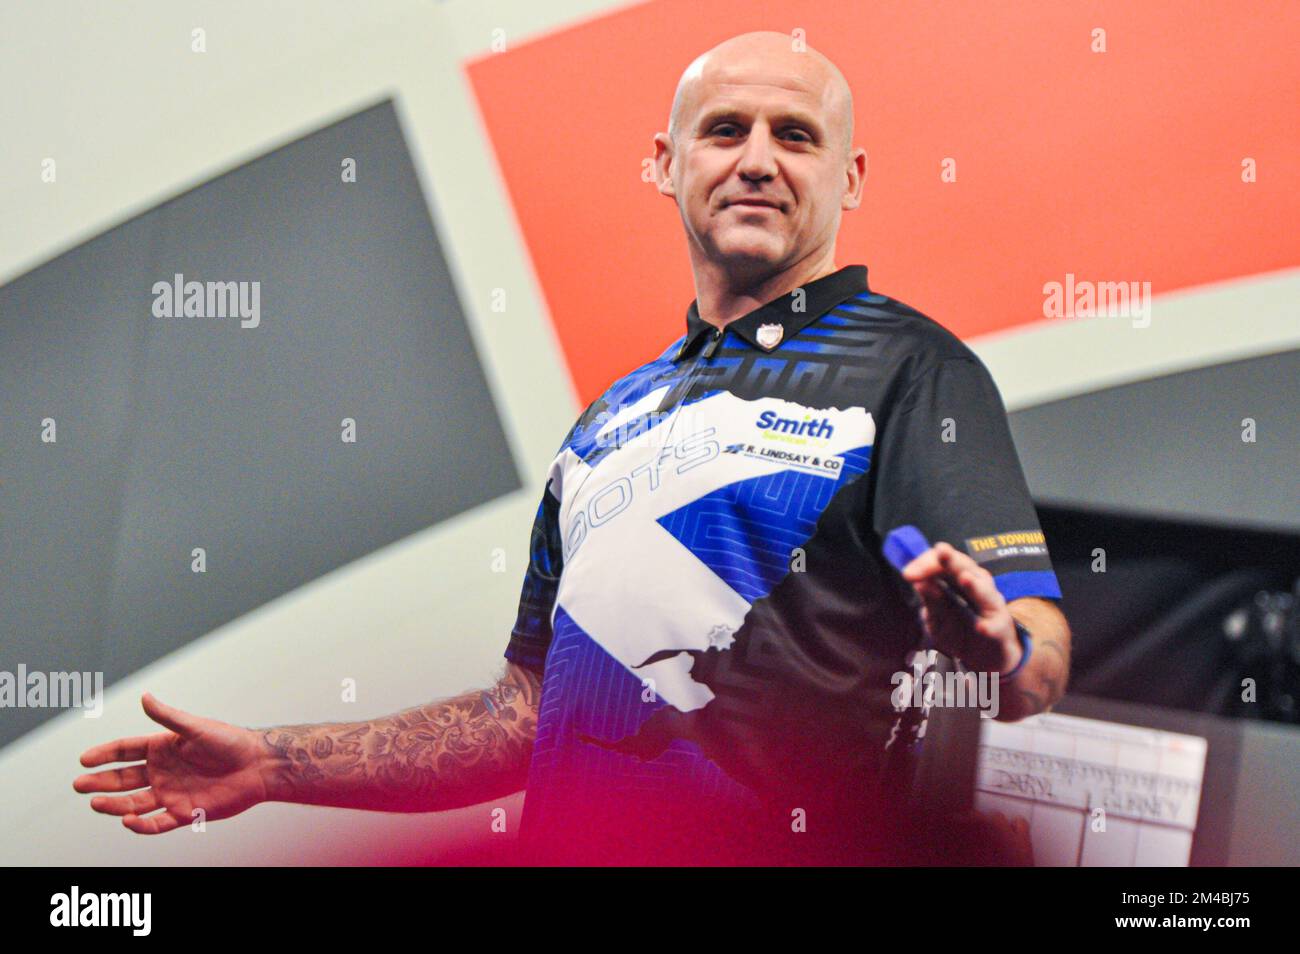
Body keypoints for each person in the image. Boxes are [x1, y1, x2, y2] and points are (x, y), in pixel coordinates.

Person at [75, 31, 1071, 866]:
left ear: (847, 178)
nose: (758, 160)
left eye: (796, 136)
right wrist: (274, 762)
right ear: (665, 163)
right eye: (724, 130)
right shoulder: (606, 424)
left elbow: (1036, 660)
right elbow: (522, 713)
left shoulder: (912, 367)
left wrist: (997, 649)